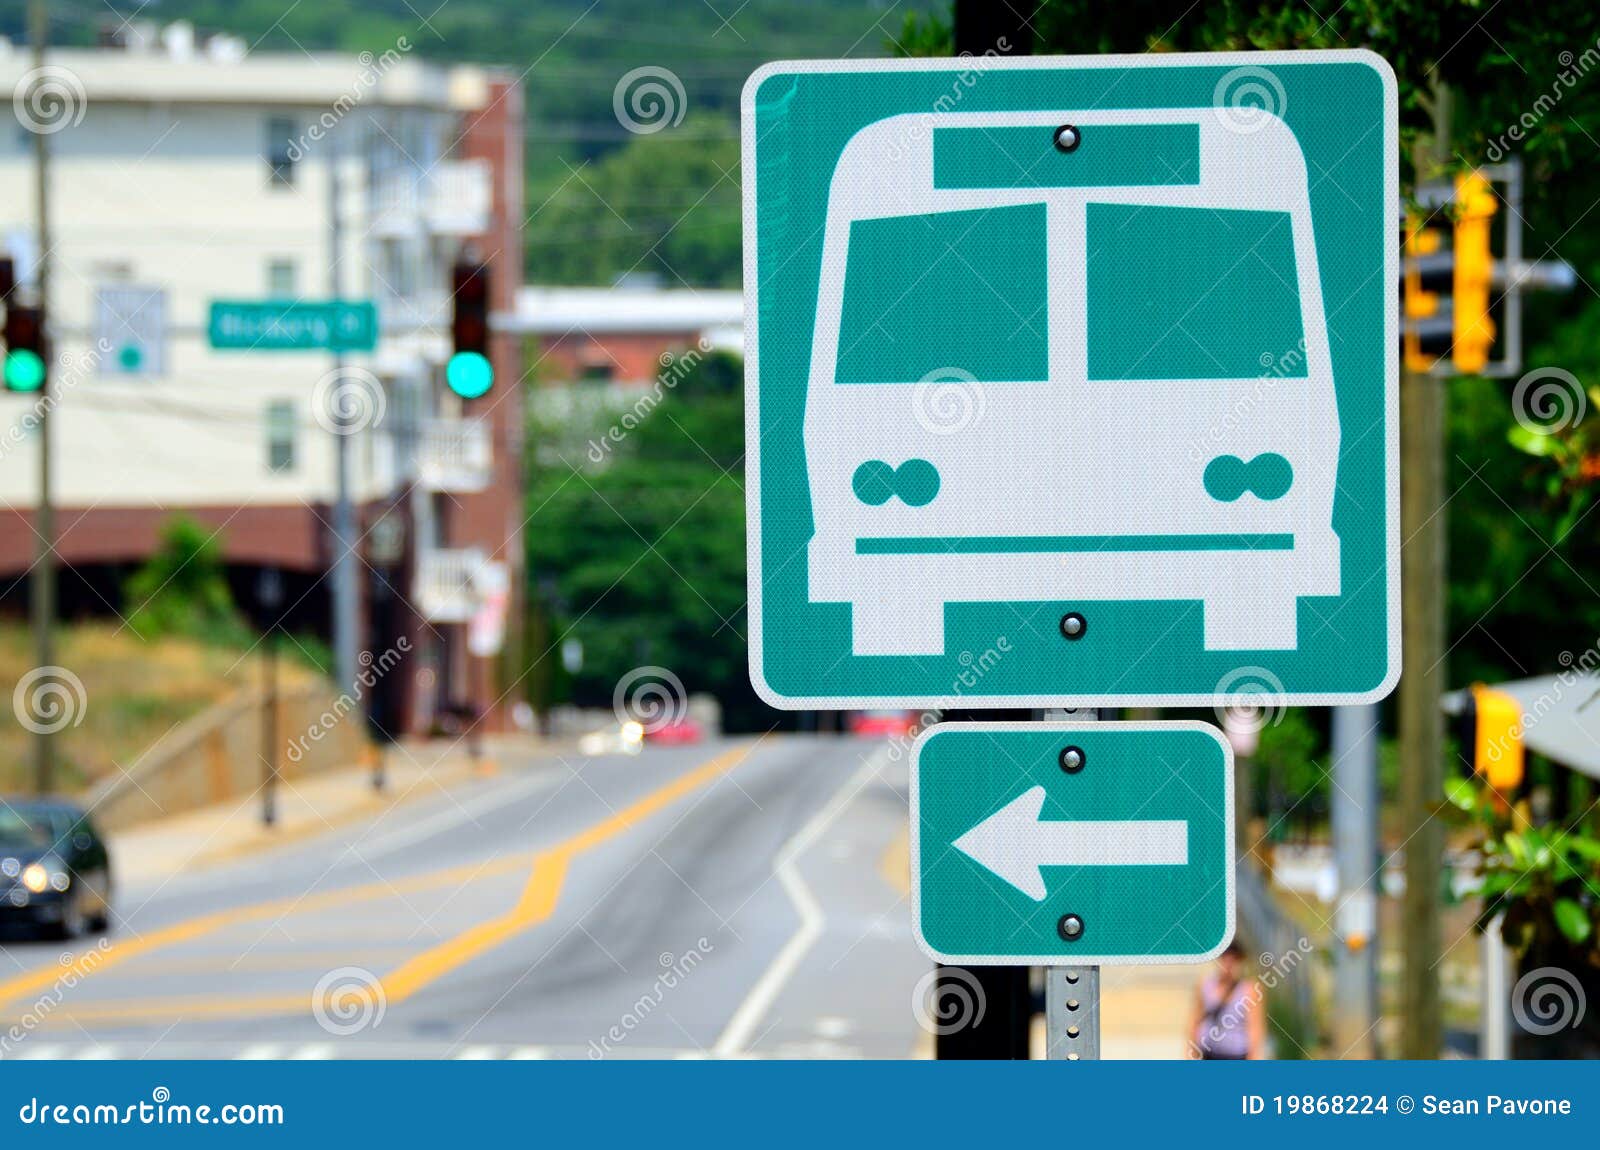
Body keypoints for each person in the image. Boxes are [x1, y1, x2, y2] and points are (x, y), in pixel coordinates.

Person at [1188, 942, 1267, 1059]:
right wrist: (1190, 1051)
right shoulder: (1206, 985)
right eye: (1226, 959)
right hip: (1208, 1052)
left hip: (1236, 1055)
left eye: (1234, 960)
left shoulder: (1249, 990)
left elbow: (1255, 1028)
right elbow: (1195, 1020)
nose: (1229, 965)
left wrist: (1254, 1057)